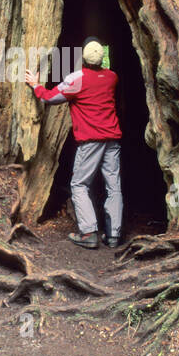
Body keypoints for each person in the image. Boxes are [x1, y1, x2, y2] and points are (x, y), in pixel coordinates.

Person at [25, 39, 122, 249]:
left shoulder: (77, 79)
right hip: (112, 139)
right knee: (113, 185)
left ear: (83, 59)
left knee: (79, 184)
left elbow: (50, 98)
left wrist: (35, 85)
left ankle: (88, 233)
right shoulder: (111, 77)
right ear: (101, 58)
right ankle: (113, 235)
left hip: (91, 141)